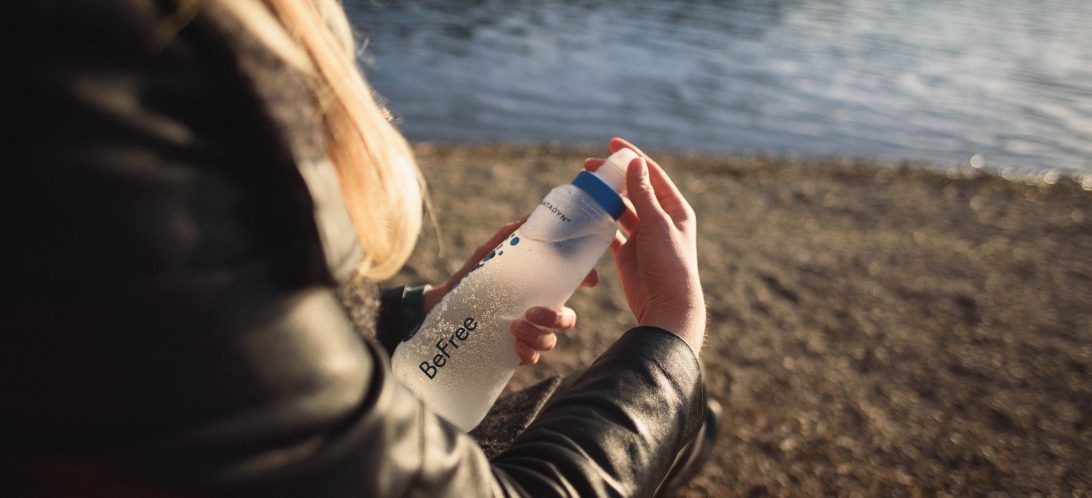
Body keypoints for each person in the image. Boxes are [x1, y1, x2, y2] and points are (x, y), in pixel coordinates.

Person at [2, 1, 712, 496]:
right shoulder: (125, 79)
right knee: (682, 416)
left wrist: (427, 311)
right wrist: (669, 333)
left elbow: (225, 319)